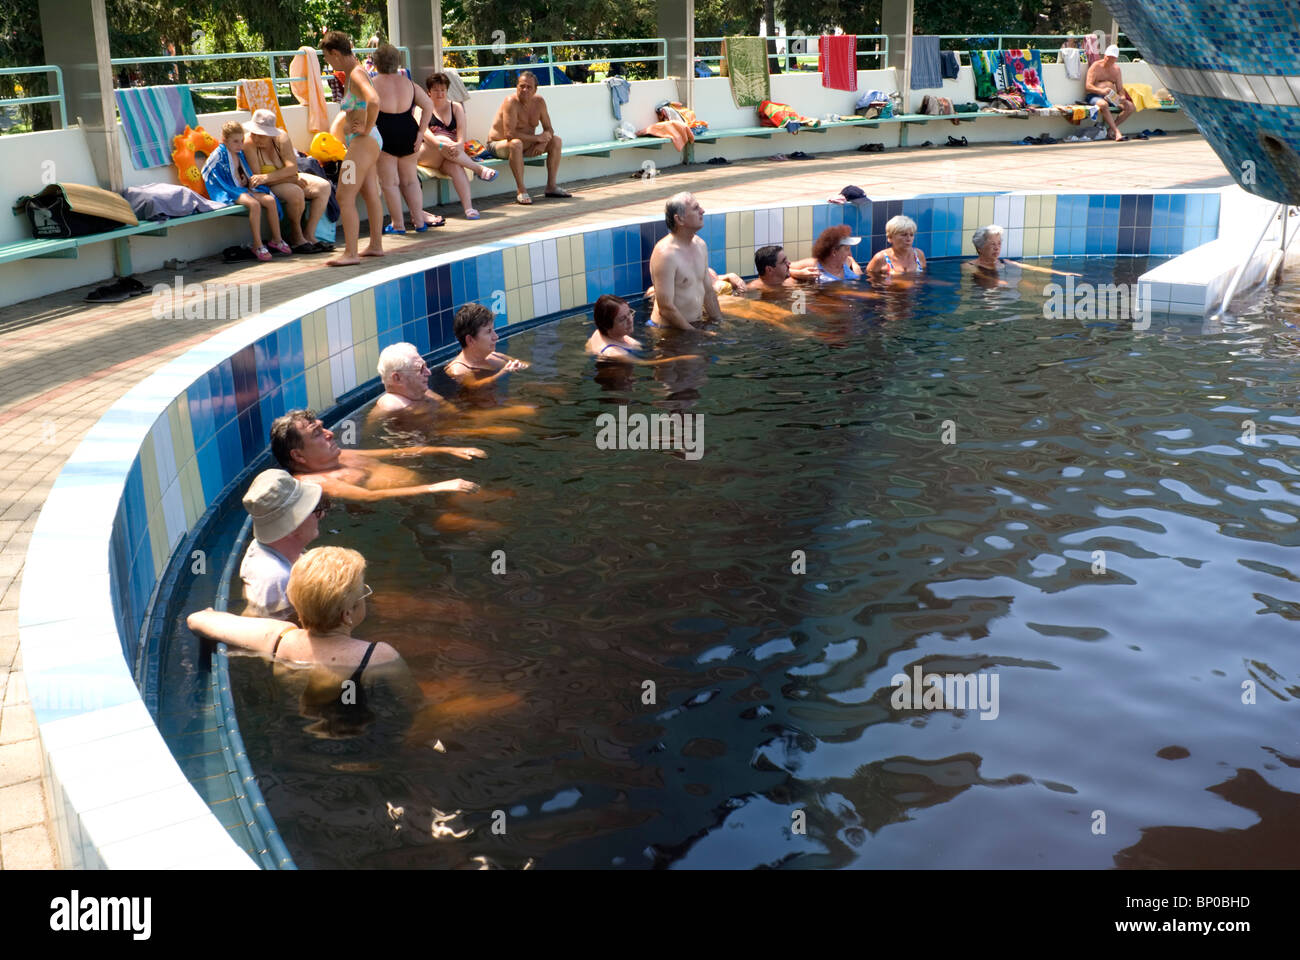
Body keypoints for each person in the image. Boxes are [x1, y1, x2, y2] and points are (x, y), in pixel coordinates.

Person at [187, 547, 420, 735]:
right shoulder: (378, 656)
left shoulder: (278, 637)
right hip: (363, 743)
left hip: (296, 731)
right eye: (364, 592)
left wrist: (211, 612)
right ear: (347, 614)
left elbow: (197, 620)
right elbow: (415, 706)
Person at [270, 408, 482, 502]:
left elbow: (396, 453)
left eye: (323, 427)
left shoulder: (340, 456)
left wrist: (448, 449)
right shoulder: (315, 481)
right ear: (298, 456)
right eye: (317, 433)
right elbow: (370, 497)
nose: (330, 434)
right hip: (419, 502)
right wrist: (436, 487)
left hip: (430, 494)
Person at [321, 31, 385, 266]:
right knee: (369, 193)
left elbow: (374, 100)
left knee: (343, 195)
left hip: (363, 143)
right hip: (367, 142)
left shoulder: (356, 74)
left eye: (328, 58)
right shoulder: (354, 72)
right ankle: (375, 245)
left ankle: (350, 253)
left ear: (336, 53)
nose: (328, 63)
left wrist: (366, 128)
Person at [368, 342, 535, 431]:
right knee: (512, 428)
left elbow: (455, 414)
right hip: (436, 442)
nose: (429, 373)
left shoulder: (426, 393)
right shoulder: (389, 406)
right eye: (420, 369)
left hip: (454, 428)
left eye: (426, 366)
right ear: (397, 378)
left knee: (527, 410)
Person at [371, 43, 443, 233]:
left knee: (389, 183)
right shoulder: (408, 84)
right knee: (410, 180)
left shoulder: (372, 84)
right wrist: (421, 133)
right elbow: (428, 105)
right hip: (409, 133)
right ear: (397, 62)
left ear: (376, 63)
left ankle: (398, 224)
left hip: (385, 135)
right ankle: (419, 222)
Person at [240, 109, 332, 253]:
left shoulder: (281, 138)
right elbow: (257, 178)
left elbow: (292, 168)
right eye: (254, 133)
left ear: (271, 134)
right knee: (295, 193)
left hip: (282, 179)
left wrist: (287, 177)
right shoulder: (249, 143)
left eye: (262, 135)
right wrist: (290, 179)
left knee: (324, 187)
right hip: (268, 185)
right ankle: (296, 236)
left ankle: (309, 233)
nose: (257, 138)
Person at [239, 469, 324, 620]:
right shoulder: (277, 580)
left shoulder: (261, 547)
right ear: (292, 528)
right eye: (315, 510)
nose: (322, 514)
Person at [201, 121, 291, 262]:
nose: (240, 145)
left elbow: (242, 172)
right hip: (230, 190)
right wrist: (223, 185)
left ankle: (277, 239)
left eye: (242, 141)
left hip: (242, 188)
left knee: (270, 200)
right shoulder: (219, 154)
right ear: (224, 140)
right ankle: (257, 245)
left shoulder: (239, 154)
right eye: (235, 141)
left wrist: (244, 180)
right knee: (254, 204)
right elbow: (206, 171)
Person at [418, 72, 498, 220]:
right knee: (442, 139)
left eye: (442, 90)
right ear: (428, 92)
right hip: (427, 153)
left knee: (455, 167)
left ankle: (468, 208)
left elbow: (461, 137)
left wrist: (458, 145)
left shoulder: (456, 108)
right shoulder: (423, 109)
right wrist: (442, 144)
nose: (440, 93)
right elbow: (425, 134)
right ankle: (478, 169)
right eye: (435, 90)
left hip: (451, 154)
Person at [486, 70, 572, 205]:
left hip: (525, 144)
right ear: (517, 87)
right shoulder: (511, 102)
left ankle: (551, 186)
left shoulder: (539, 102)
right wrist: (538, 139)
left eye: (529, 87)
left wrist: (544, 143)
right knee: (515, 143)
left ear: (535, 90)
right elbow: (510, 134)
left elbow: (549, 129)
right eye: (521, 86)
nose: (525, 89)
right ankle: (521, 190)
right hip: (498, 145)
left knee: (556, 141)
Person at [648, 192, 722, 330]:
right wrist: (694, 334)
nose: (702, 211)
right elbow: (666, 308)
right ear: (679, 219)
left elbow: (709, 292)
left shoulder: (701, 245)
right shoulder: (665, 254)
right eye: (695, 208)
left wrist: (719, 322)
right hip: (668, 331)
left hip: (693, 327)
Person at [585, 295, 703, 364]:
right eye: (622, 319)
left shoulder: (601, 333)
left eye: (629, 313)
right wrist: (682, 358)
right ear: (607, 325)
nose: (630, 320)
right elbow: (645, 364)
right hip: (618, 378)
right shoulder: (614, 353)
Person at [444, 303, 531, 388]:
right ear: (470, 340)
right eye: (489, 331)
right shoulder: (458, 370)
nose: (496, 337)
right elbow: (474, 386)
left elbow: (526, 365)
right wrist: (503, 372)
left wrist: (519, 366)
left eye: (493, 330)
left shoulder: (495, 356)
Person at [967, 224, 1083, 279]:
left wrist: (1063, 274)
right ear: (980, 247)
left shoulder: (1004, 262)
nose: (997, 248)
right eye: (992, 244)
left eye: (999, 243)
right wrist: (1000, 284)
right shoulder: (969, 265)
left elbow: (1033, 268)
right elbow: (980, 275)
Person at [1085, 44, 1135, 141]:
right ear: (1105, 56)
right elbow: (1088, 86)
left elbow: (1120, 88)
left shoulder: (1116, 70)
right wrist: (1101, 91)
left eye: (1112, 58)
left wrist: (1122, 97)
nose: (1109, 60)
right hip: (1095, 95)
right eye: (1108, 57)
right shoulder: (1096, 66)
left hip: (1111, 96)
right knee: (1103, 105)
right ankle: (1117, 132)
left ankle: (1110, 130)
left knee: (1130, 106)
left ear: (1116, 59)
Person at [792, 225, 867, 281]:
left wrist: (856, 267)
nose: (849, 253)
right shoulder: (814, 264)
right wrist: (798, 274)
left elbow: (850, 259)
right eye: (847, 249)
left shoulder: (845, 261)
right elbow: (785, 268)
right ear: (834, 252)